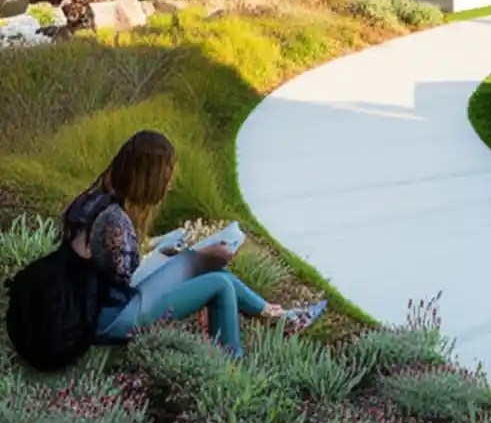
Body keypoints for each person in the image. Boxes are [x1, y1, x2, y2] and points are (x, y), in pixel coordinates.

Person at [65, 131, 326, 356]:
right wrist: (185, 262)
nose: (169, 186)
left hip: (103, 308)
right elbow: (123, 283)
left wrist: (167, 257)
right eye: (165, 177)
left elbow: (108, 273)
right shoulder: (113, 221)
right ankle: (230, 373)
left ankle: (278, 318)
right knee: (218, 282)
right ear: (147, 176)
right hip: (112, 320)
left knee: (208, 269)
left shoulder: (95, 202)